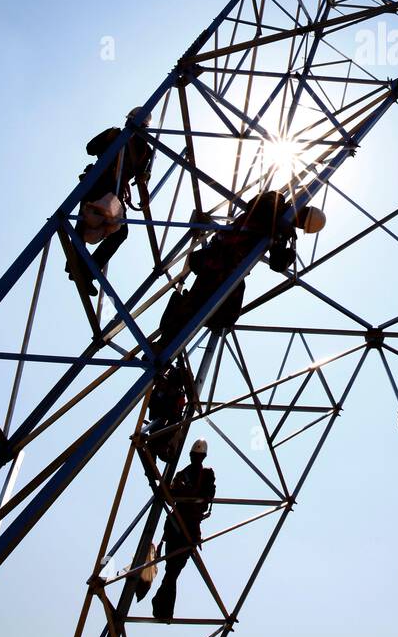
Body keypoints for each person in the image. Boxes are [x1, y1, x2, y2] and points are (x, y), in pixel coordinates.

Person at [153, 192, 326, 354]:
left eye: (302, 223)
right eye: (302, 218)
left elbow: (277, 263)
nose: (298, 222)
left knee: (225, 314)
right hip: (220, 258)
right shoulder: (277, 201)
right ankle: (165, 340)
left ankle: (171, 337)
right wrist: (279, 223)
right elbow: (257, 205)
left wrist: (288, 254)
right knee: (196, 303)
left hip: (232, 267)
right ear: (303, 209)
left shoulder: (284, 232)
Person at [66, 108, 153, 296]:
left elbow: (91, 148)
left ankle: (83, 268)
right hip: (105, 187)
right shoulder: (142, 147)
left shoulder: (142, 148)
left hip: (106, 188)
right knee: (96, 225)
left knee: (97, 224)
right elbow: (142, 180)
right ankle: (81, 267)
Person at [151, 439, 215, 621]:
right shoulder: (185, 474)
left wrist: (185, 493)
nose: (195, 457)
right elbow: (174, 493)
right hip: (181, 527)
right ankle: (163, 609)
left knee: (172, 571)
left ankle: (162, 608)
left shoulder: (204, 474)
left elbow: (206, 496)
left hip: (183, 527)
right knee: (172, 570)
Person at [144, 362, 188, 462]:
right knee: (160, 430)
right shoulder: (164, 385)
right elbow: (152, 400)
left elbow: (177, 413)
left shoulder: (176, 393)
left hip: (164, 414)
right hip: (160, 413)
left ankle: (155, 453)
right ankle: (154, 454)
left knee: (168, 427)